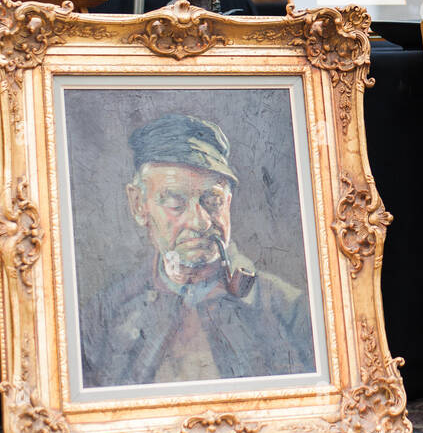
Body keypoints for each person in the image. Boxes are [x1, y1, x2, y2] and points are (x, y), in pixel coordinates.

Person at [80, 113, 315, 388]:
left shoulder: (289, 310)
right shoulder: (103, 316)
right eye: (175, 201)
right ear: (138, 204)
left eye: (212, 200)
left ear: (228, 202)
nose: (200, 222)